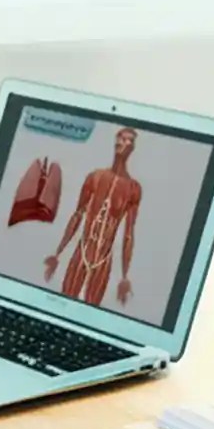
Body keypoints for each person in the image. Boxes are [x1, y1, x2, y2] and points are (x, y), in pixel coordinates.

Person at [43, 128, 143, 307]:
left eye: (128, 140)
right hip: (81, 252)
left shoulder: (133, 189)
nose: (123, 143)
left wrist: (124, 276)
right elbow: (77, 215)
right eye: (120, 138)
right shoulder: (95, 177)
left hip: (103, 261)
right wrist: (58, 253)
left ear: (132, 147)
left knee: (90, 309)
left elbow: (129, 234)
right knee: (64, 304)